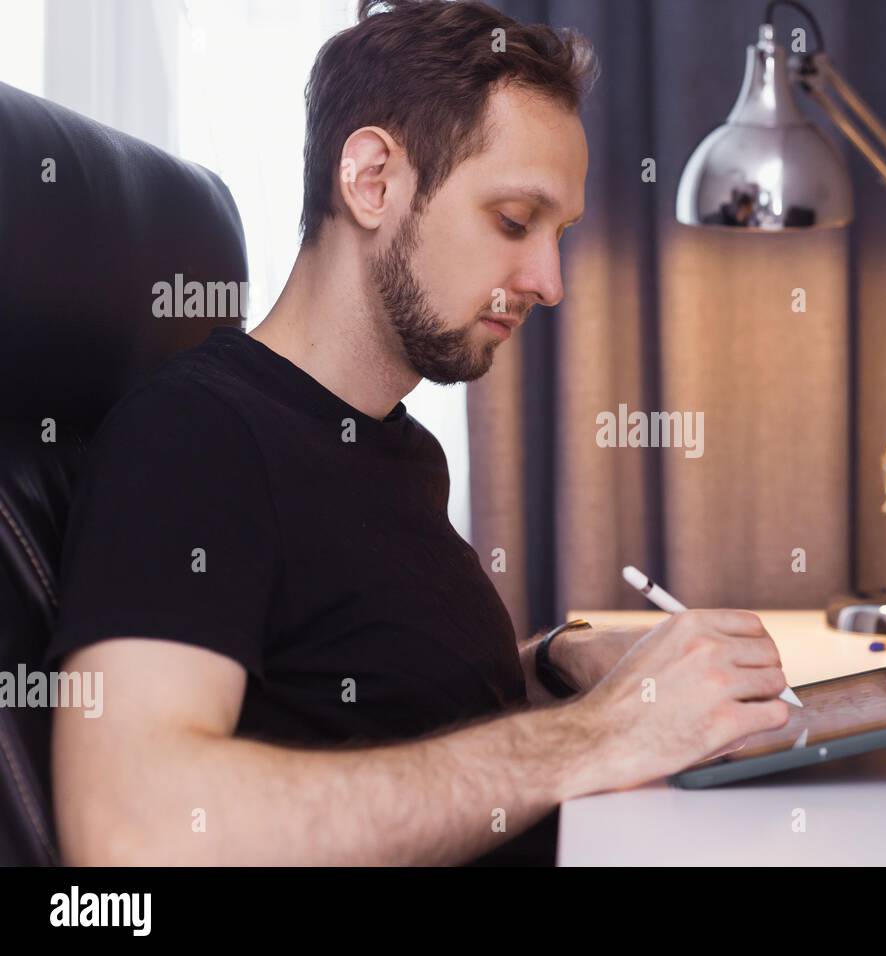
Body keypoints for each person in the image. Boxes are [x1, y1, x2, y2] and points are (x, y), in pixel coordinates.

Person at [46, 0, 791, 866]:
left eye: (559, 236)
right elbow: (136, 831)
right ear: (372, 181)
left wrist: (555, 662)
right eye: (515, 221)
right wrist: (594, 737)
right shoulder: (194, 440)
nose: (550, 282)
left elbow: (371, 693)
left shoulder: (390, 447)